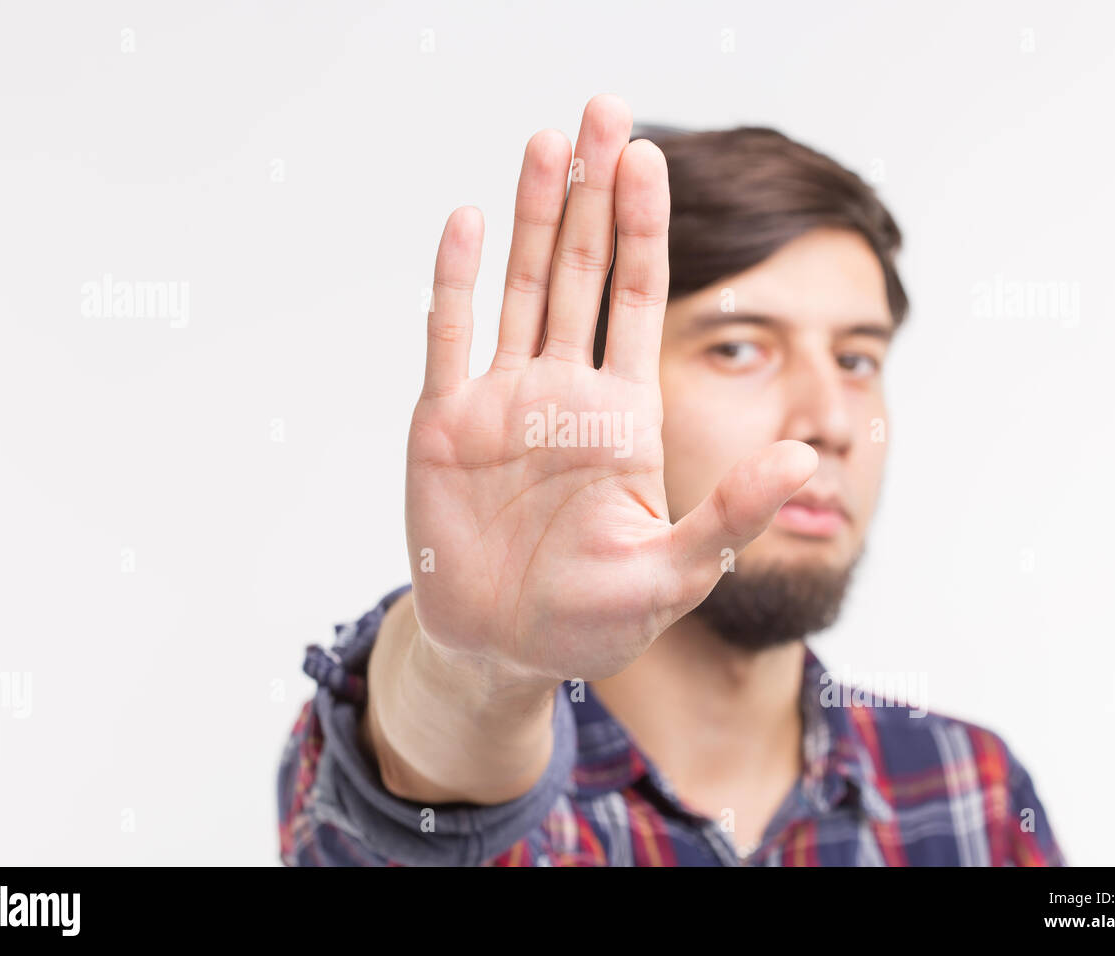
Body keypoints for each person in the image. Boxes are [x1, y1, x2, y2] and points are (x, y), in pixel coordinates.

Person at [276, 94, 1065, 866]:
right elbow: (425, 786)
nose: (830, 419)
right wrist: (484, 669)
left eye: (857, 359)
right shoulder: (489, 801)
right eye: (738, 348)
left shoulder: (971, 792)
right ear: (591, 377)